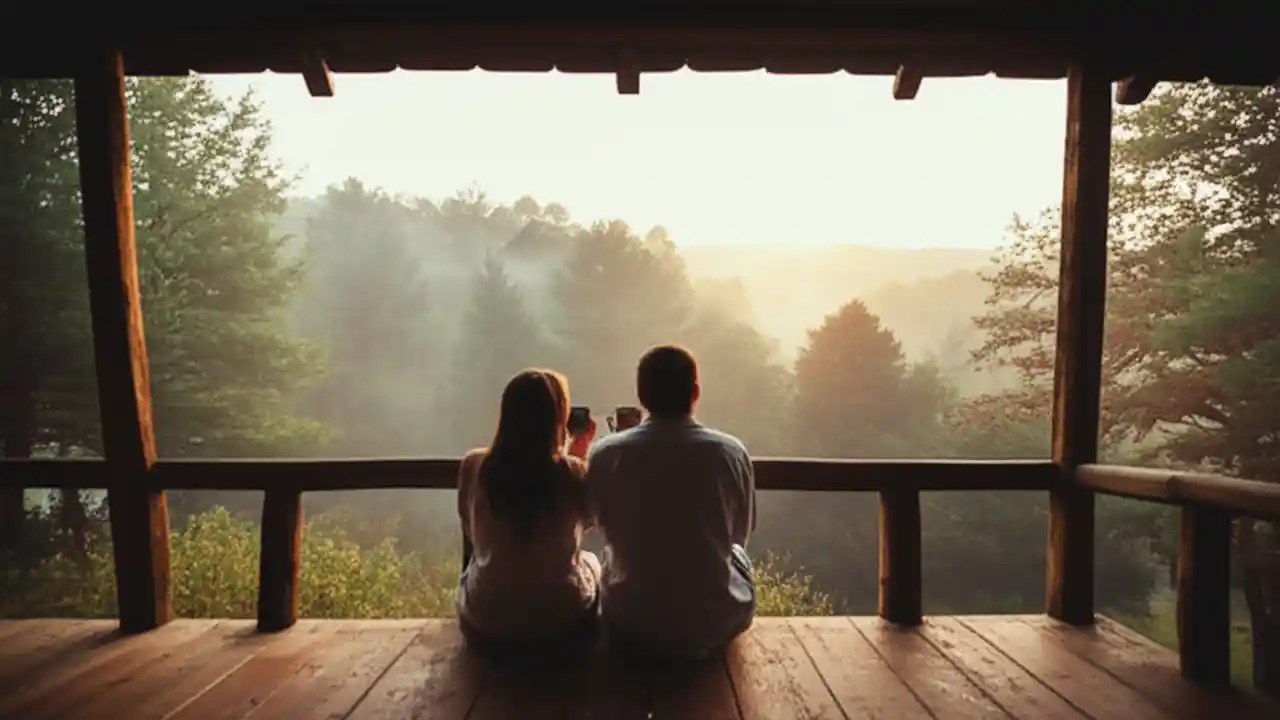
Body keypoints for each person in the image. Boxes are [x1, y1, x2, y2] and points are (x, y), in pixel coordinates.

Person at [586, 345, 757, 659]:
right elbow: (739, 536)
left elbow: (592, 522)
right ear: (695, 393)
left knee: (603, 559)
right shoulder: (730, 452)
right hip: (713, 623)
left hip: (628, 621)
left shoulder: (606, 453)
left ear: (641, 396)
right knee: (739, 557)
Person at [455, 369, 599, 655]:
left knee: (478, 573)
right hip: (561, 625)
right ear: (559, 417)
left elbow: (471, 532)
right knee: (593, 561)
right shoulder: (571, 472)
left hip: (485, 624)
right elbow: (591, 519)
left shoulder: (474, 465)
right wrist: (578, 456)